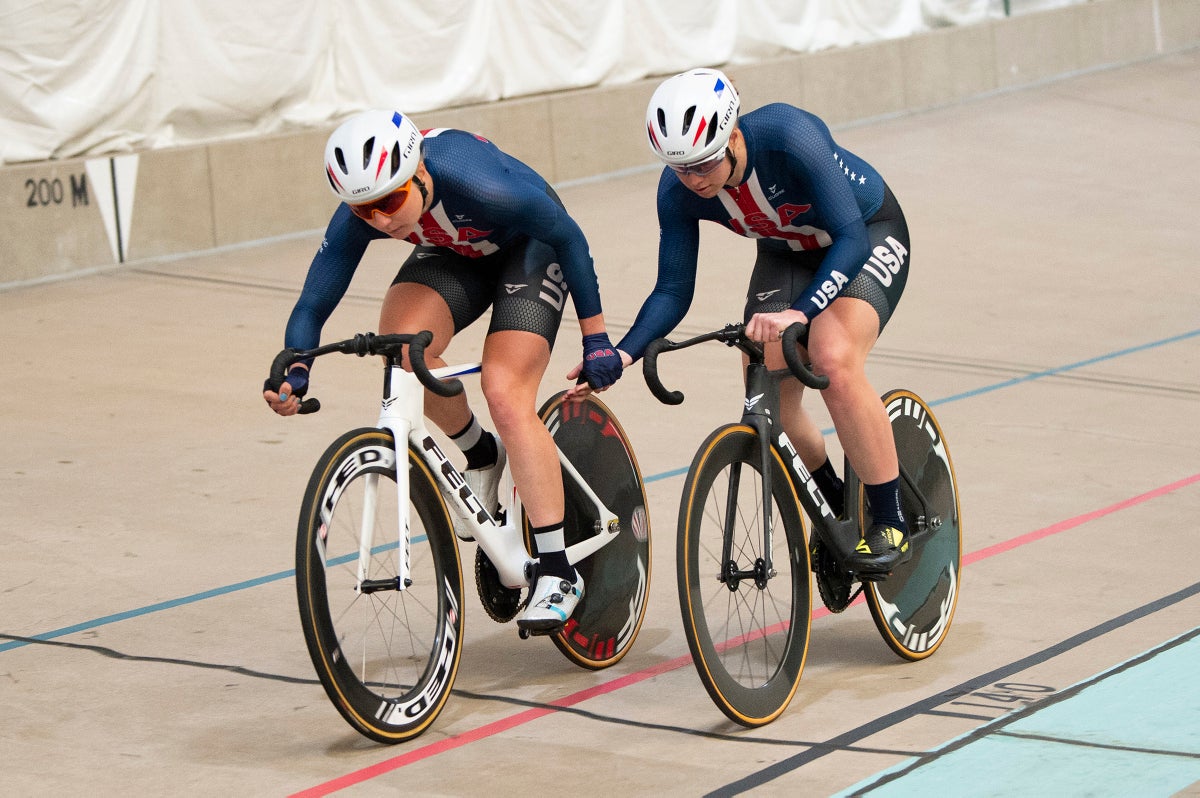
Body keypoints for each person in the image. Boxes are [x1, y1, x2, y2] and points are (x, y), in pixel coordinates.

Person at [263, 109, 623, 632]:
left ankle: (557, 569)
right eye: (365, 211)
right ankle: (480, 451)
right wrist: (296, 366)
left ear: (421, 174)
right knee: (404, 352)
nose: (382, 221)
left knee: (504, 390)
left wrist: (596, 338)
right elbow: (315, 298)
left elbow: (569, 239)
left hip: (532, 246)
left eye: (390, 201)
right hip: (456, 248)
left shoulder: (478, 183)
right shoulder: (371, 208)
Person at [596, 67, 912, 575]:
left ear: (733, 136)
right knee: (764, 385)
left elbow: (849, 238)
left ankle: (890, 518)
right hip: (787, 251)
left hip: (866, 233)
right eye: (680, 169)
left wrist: (801, 312)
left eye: (703, 164)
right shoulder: (677, 190)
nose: (694, 180)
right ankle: (833, 504)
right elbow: (674, 288)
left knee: (831, 354)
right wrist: (626, 351)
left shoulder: (790, 138)